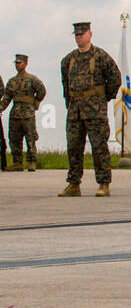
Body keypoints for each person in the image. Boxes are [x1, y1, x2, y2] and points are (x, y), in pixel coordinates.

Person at [58, 22, 121, 197]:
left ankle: (103, 183)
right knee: (74, 148)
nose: (79, 37)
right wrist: (70, 104)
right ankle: (73, 184)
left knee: (99, 147)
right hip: (75, 111)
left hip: (95, 111)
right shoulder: (68, 60)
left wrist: (103, 98)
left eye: (82, 33)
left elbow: (115, 78)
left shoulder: (101, 57)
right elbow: (66, 86)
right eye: (76, 34)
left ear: (90, 34)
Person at [1, 54, 46, 171]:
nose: (17, 65)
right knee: (14, 139)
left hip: (28, 114)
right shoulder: (12, 81)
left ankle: (31, 162)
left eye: (20, 63)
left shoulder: (32, 79)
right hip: (15, 114)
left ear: (26, 64)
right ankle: (17, 162)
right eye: (16, 63)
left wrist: (35, 102)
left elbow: (42, 91)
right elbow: (6, 98)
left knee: (30, 138)